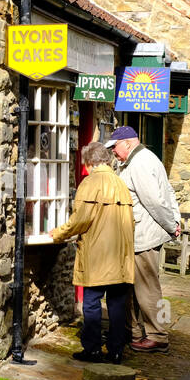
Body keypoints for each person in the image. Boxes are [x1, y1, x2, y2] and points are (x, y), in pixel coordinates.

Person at [50, 141, 135, 364]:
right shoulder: (121, 184)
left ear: (90, 163)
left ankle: (93, 349)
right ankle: (116, 351)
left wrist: (58, 234)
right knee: (117, 305)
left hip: (98, 254)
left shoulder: (90, 183)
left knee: (91, 303)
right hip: (121, 255)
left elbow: (80, 220)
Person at [106, 126, 180, 354]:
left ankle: (158, 335)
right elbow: (167, 192)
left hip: (143, 237)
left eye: (115, 147)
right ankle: (135, 332)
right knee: (133, 289)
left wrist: (172, 225)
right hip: (136, 236)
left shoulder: (139, 164)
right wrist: (174, 220)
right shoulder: (141, 160)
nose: (113, 153)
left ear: (127, 143)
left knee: (147, 289)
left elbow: (155, 201)